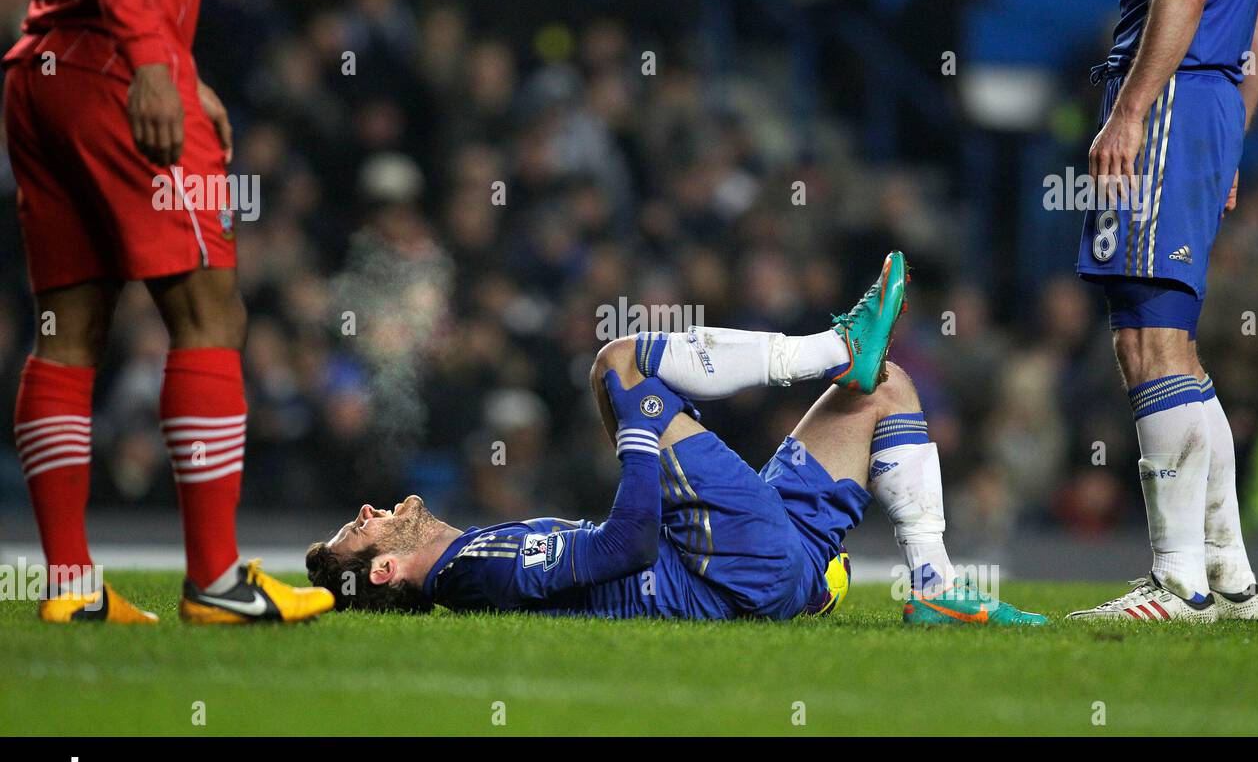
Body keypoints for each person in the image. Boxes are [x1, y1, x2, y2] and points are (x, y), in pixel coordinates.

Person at [305, 253, 1046, 625]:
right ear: (384, 571)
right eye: (357, 530)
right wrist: (639, 438)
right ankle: (831, 346)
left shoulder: (475, 562)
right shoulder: (475, 568)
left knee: (885, 390)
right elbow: (622, 548)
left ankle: (934, 586)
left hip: (749, 560)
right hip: (735, 565)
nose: (368, 510)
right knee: (618, 363)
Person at [3, 0, 332, 624]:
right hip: (116, 72)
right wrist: (155, 66)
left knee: (69, 330)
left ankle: (70, 585)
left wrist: (175, 64)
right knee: (211, 313)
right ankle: (215, 580)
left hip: (43, 66)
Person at [1071, 0, 1258, 622]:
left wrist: (1131, 111)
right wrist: (1232, 133)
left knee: (1144, 336)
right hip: (1208, 100)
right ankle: (1230, 576)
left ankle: (1178, 583)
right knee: (1175, 346)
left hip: (1168, 96)